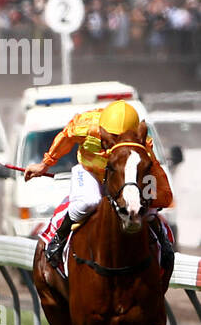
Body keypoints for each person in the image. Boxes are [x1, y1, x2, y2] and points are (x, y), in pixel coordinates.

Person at [25, 99, 173, 272]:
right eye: (113, 137)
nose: (116, 142)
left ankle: (164, 242)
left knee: (146, 208)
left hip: (121, 177)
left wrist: (155, 196)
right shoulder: (85, 125)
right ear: (102, 129)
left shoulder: (142, 142)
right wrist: (44, 165)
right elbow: (66, 137)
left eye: (122, 138)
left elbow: (152, 168)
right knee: (88, 202)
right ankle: (58, 239)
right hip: (90, 170)